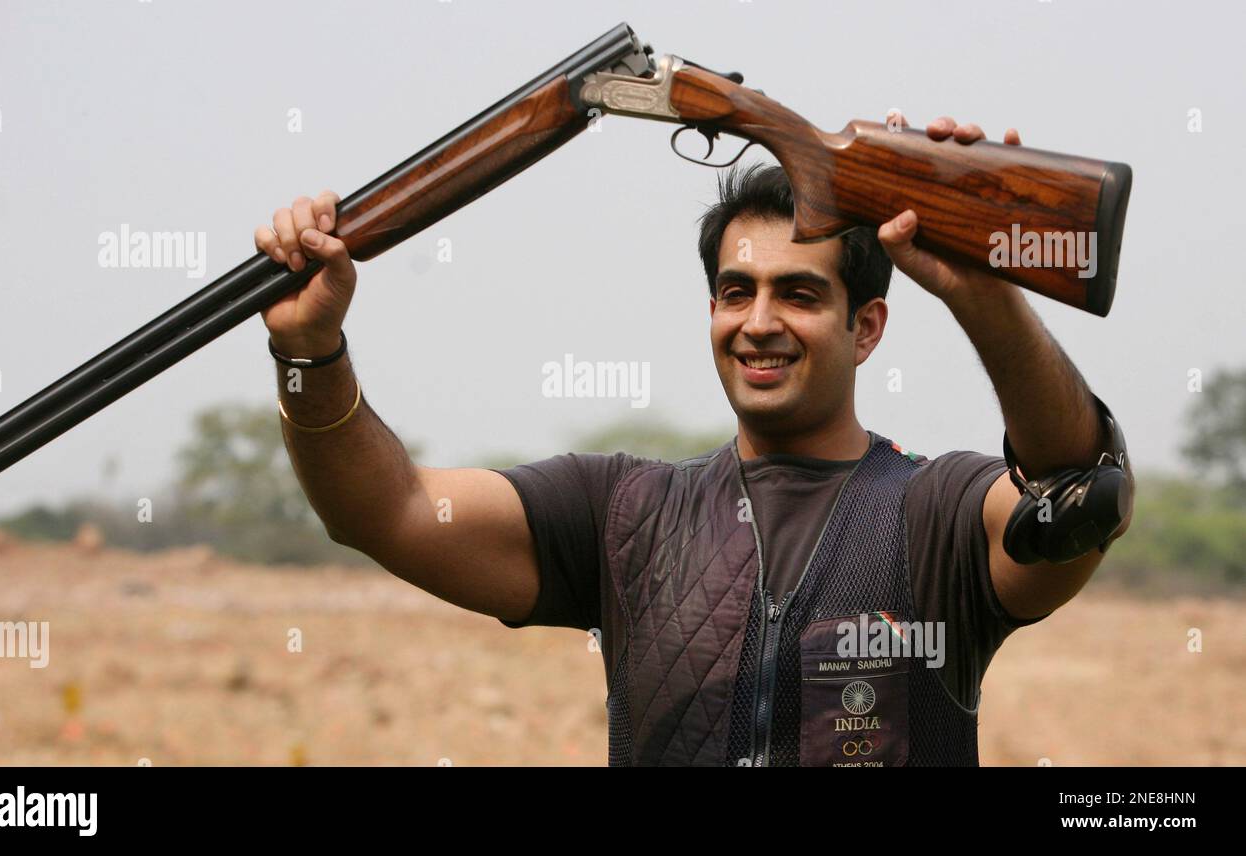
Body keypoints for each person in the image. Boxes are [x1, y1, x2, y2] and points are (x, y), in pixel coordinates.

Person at [252, 113, 1134, 766]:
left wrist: (986, 297)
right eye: (733, 291)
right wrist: (307, 349)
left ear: (867, 328)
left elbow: (1080, 493)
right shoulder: (624, 510)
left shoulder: (939, 509)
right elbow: (388, 509)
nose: (757, 322)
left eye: (798, 293)